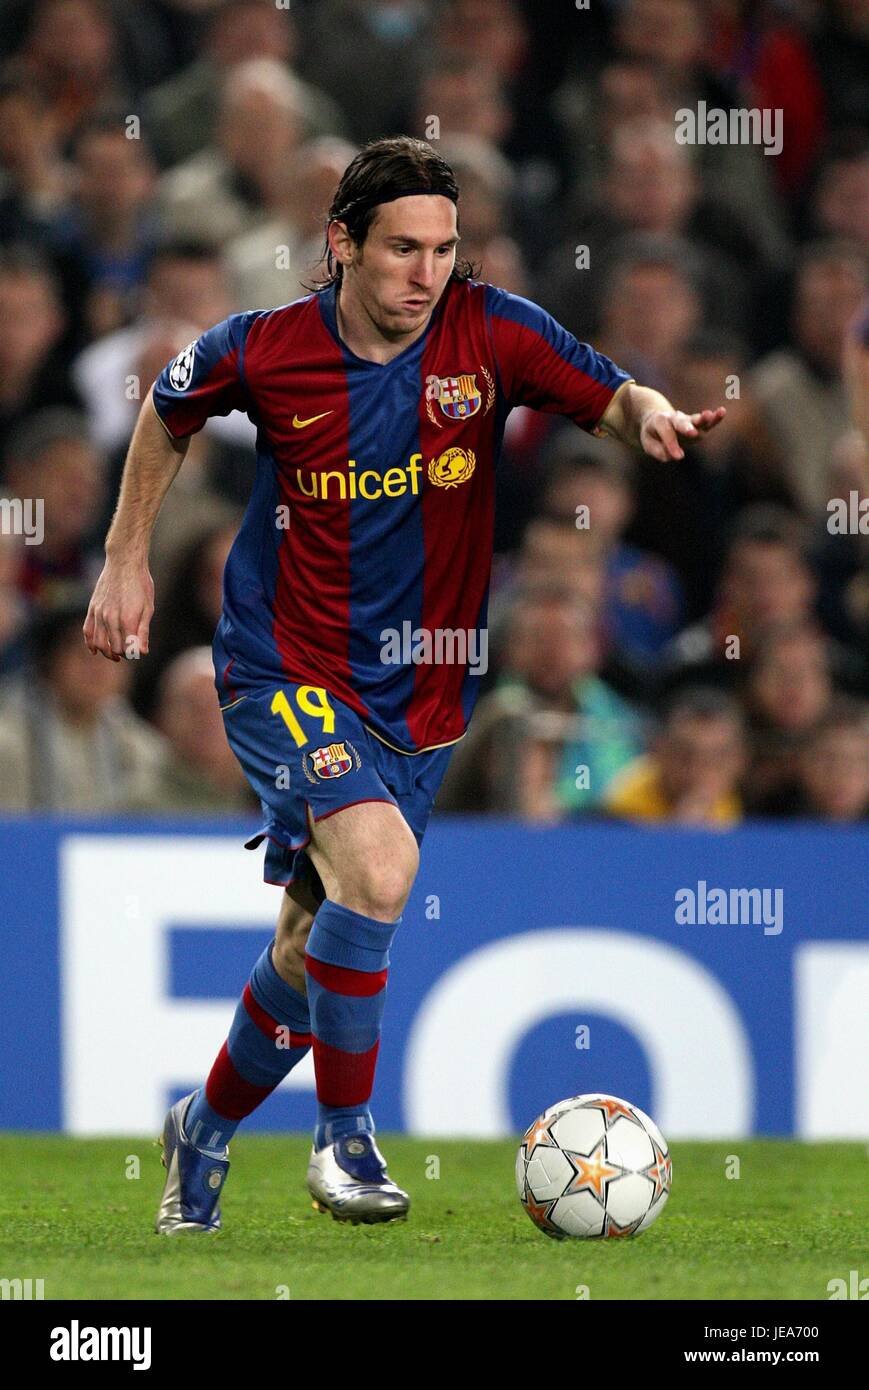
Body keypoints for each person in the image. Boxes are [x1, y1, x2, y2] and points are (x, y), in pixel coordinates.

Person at [83, 136, 725, 1233]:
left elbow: (610, 395)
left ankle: (205, 1128)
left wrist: (649, 414)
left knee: (313, 942)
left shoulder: (494, 333)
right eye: (400, 250)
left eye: (442, 249)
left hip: (421, 694)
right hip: (280, 664)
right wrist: (123, 555)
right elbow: (169, 410)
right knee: (380, 871)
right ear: (340, 245)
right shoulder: (267, 349)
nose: (425, 273)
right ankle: (344, 1144)